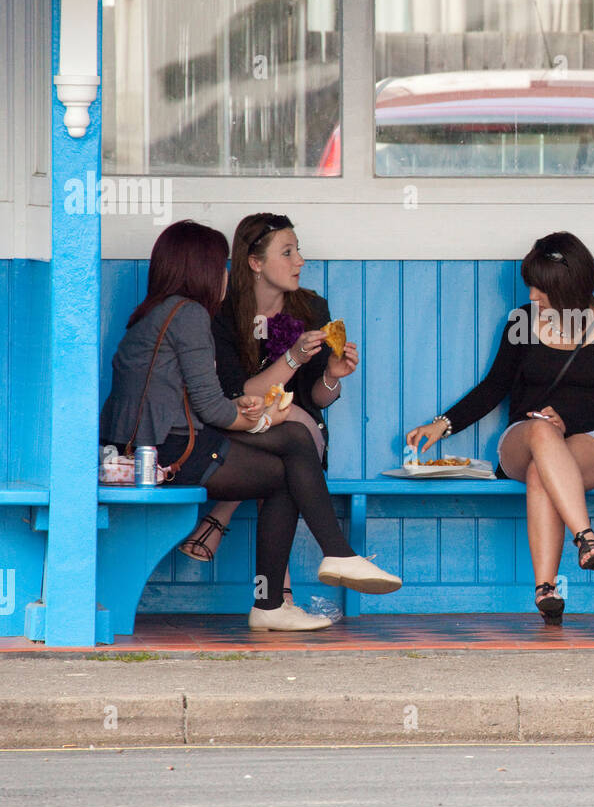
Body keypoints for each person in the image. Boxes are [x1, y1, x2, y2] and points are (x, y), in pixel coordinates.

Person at [100, 220, 400, 633]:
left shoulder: (157, 311)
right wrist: (264, 417)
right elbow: (214, 410)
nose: (225, 273)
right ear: (200, 269)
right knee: (291, 449)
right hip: (165, 454)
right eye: (218, 265)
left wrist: (263, 406)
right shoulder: (189, 314)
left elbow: (210, 402)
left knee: (290, 459)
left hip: (147, 449)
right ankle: (307, 575)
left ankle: (285, 593)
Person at [405, 232, 594, 624]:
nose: (532, 296)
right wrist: (443, 424)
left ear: (568, 285)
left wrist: (569, 421)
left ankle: (545, 588)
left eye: (541, 288)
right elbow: (494, 386)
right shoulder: (522, 321)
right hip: (525, 437)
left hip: (592, 438)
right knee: (543, 432)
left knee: (541, 470)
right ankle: (586, 537)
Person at [174, 213, 359, 614]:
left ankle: (228, 533)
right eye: (287, 252)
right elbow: (232, 398)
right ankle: (278, 598)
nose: (300, 262)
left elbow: (317, 399)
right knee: (286, 445)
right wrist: (292, 357)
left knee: (293, 438)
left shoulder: (312, 308)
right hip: (235, 427)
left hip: (297, 427)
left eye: (299, 251)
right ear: (255, 263)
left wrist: (332, 374)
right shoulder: (222, 315)